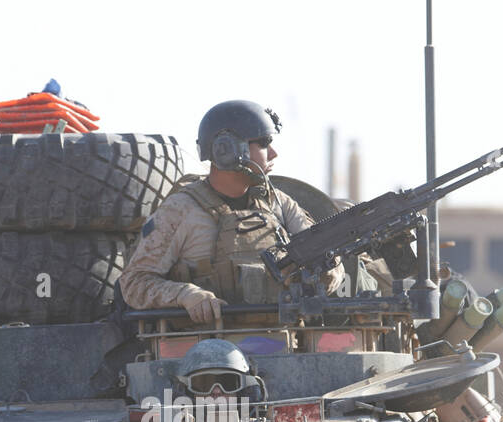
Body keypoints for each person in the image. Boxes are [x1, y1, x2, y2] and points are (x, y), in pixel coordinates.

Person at [118, 100, 347, 325]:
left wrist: (316, 272)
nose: (274, 153)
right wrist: (185, 295)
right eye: (265, 142)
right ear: (226, 148)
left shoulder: (279, 203)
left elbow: (333, 270)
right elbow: (134, 283)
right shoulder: (180, 210)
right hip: (204, 352)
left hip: (281, 344)